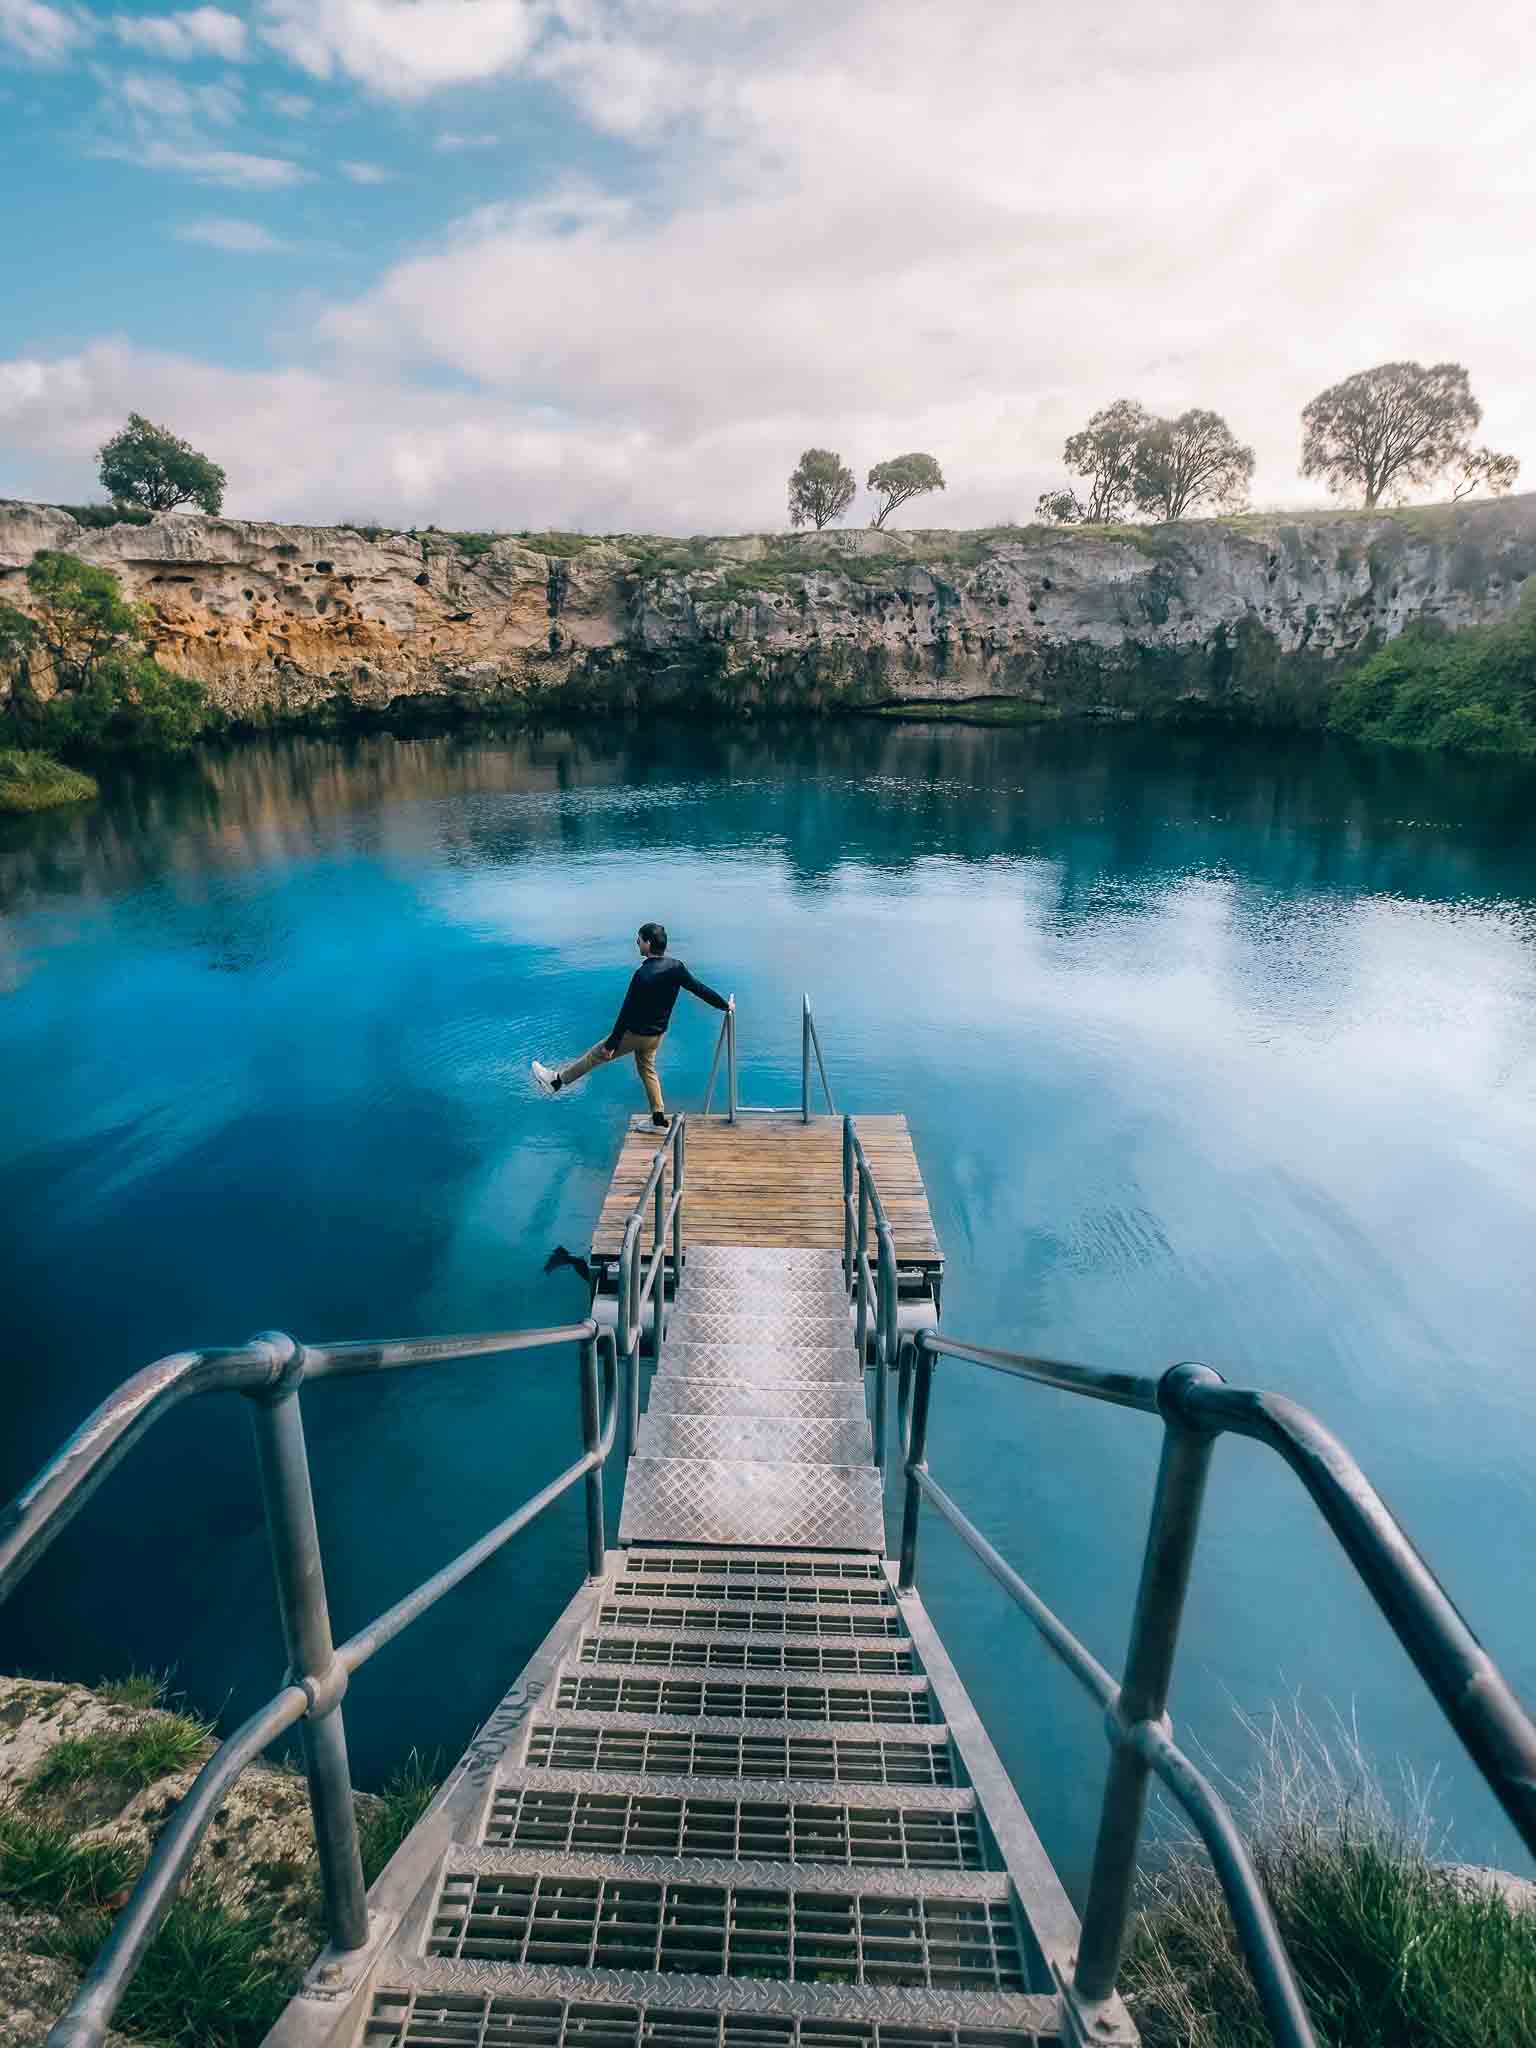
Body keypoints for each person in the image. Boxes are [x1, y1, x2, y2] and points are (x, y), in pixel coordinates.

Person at [532, 922, 733, 1129]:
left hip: (636, 1034)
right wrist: (725, 1005)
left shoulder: (642, 975)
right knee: (647, 1069)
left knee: (595, 1055)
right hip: (657, 1035)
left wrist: (612, 1043)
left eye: (640, 939)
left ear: (648, 943)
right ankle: (657, 1117)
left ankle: (556, 1081)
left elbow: (627, 1012)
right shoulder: (676, 967)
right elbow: (699, 989)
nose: (637, 942)